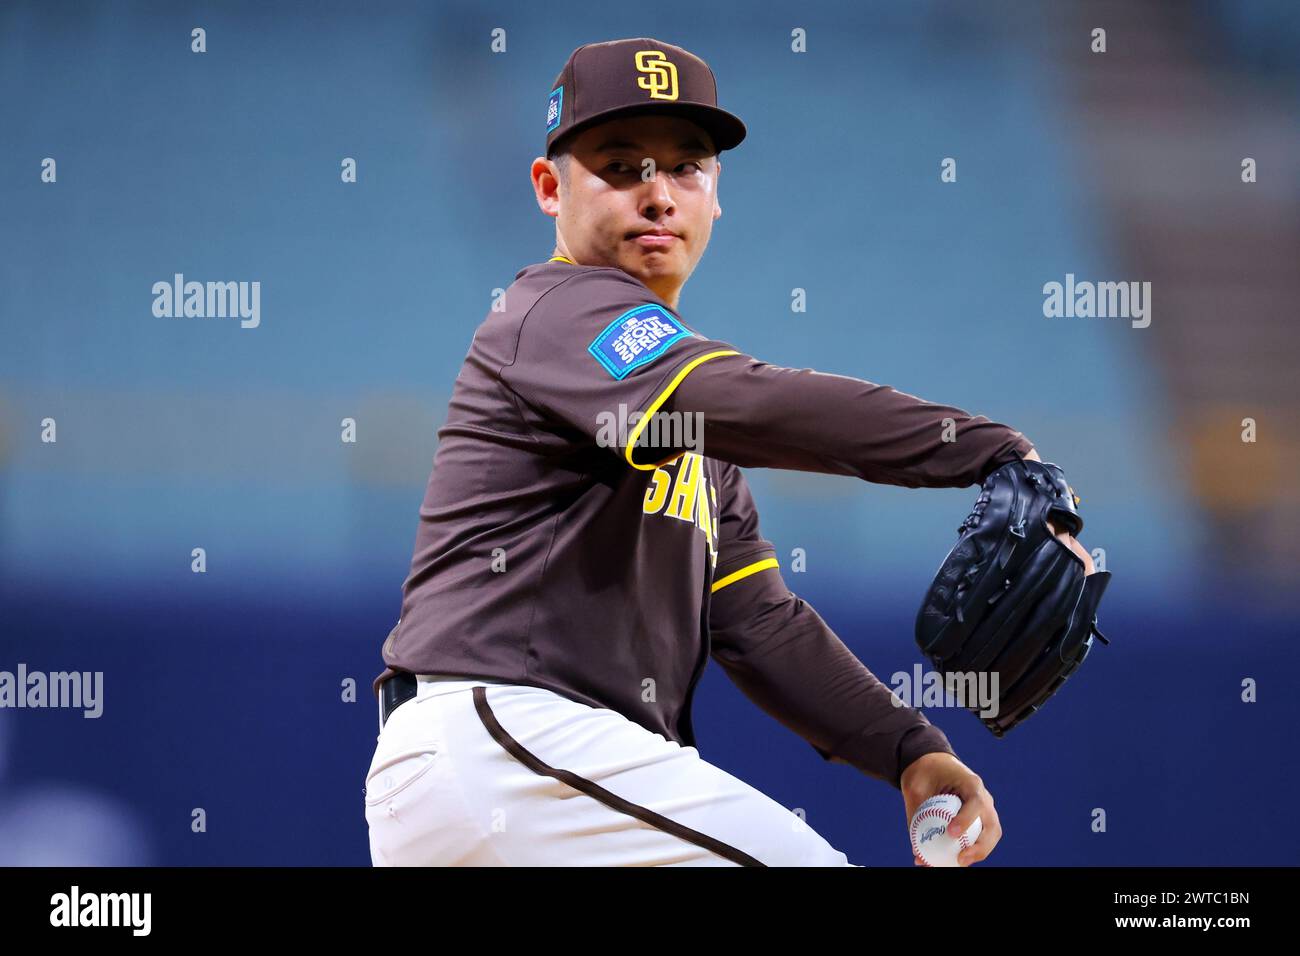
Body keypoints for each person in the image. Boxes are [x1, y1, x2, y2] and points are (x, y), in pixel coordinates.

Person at [363, 37, 1094, 867]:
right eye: (620, 163)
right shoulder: (559, 314)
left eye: (687, 167)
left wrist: (909, 750)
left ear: (717, 195)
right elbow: (749, 400)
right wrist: (987, 449)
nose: (658, 193)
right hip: (509, 743)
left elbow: (756, 622)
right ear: (547, 186)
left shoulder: (686, 423)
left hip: (514, 781)